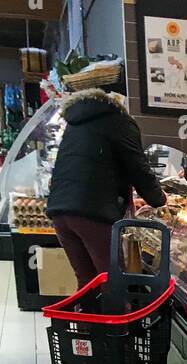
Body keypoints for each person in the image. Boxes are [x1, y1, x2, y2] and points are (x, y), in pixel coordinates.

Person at [47, 86, 167, 288]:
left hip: (60, 213)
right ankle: (117, 318)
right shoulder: (119, 121)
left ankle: (88, 319)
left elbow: (93, 169)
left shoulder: (76, 122)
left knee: (87, 282)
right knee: (113, 284)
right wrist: (159, 199)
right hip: (92, 214)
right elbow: (138, 167)